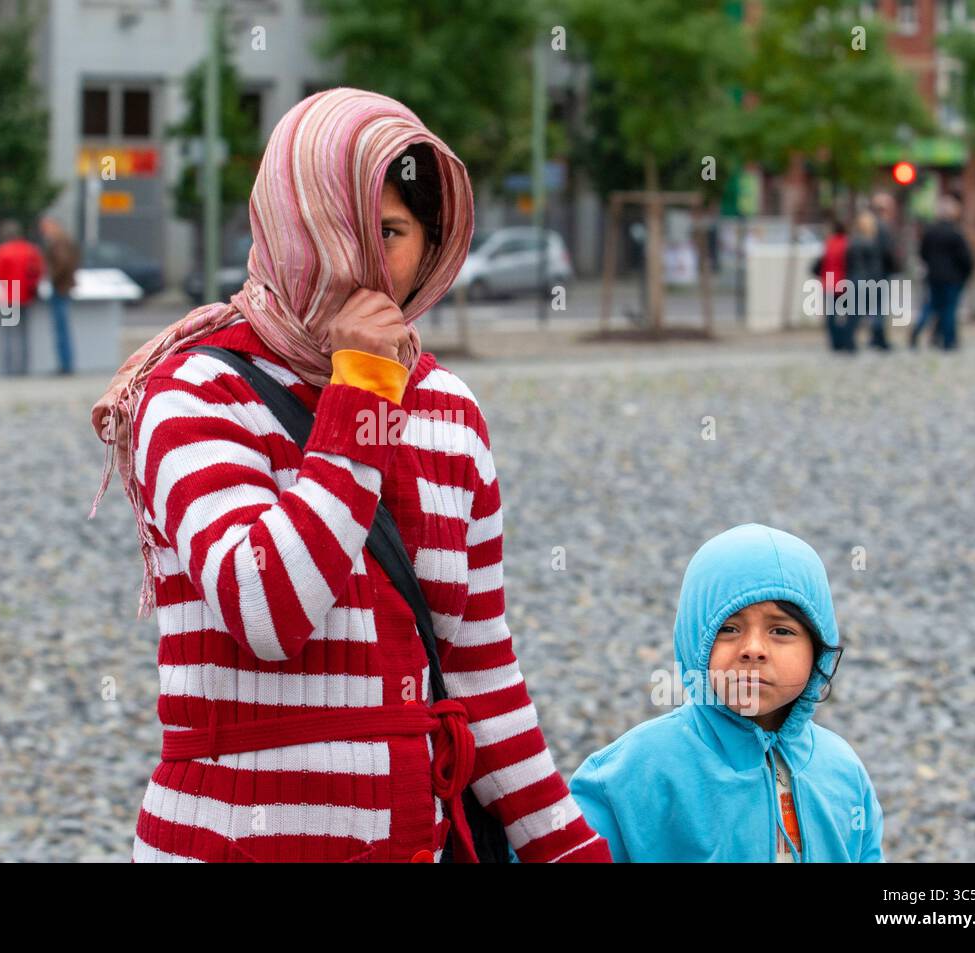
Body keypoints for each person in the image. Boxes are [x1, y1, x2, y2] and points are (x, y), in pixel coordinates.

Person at [86, 87, 612, 864]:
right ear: (292, 228)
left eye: (394, 232)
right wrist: (360, 392)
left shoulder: (449, 412)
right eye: (342, 230)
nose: (368, 260)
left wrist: (567, 850)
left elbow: (482, 674)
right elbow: (266, 606)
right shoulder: (196, 393)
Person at [569, 523, 884, 862]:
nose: (753, 649)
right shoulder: (627, 776)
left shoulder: (842, 769)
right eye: (729, 628)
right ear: (693, 642)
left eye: (781, 630)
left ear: (817, 649)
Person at [911, 195, 974, 350]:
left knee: (931, 306)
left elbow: (922, 253)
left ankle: (917, 331)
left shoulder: (930, 232)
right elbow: (966, 258)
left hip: (934, 276)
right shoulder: (955, 234)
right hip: (953, 277)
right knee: (949, 309)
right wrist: (965, 274)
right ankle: (949, 340)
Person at [0, 220, 43, 375]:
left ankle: (9, 368)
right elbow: (38, 271)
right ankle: (24, 367)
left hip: (9, 297)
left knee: (9, 334)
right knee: (24, 334)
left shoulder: (1, 251)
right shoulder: (31, 249)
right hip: (27, 295)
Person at [39, 217, 79, 374]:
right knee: (62, 328)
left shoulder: (58, 242)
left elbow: (62, 263)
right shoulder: (65, 240)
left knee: (61, 329)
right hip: (65, 286)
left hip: (60, 287)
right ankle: (66, 363)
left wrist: (52, 277)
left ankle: (65, 365)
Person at [847, 210, 891, 350]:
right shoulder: (874, 242)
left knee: (856, 312)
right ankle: (879, 339)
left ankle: (849, 340)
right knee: (877, 311)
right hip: (874, 279)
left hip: (857, 279)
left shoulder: (853, 241)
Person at [815, 218, 851, 351]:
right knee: (845, 314)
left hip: (828, 282)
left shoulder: (828, 244)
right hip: (843, 282)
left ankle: (834, 342)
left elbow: (822, 262)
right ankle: (844, 339)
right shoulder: (846, 244)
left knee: (831, 315)